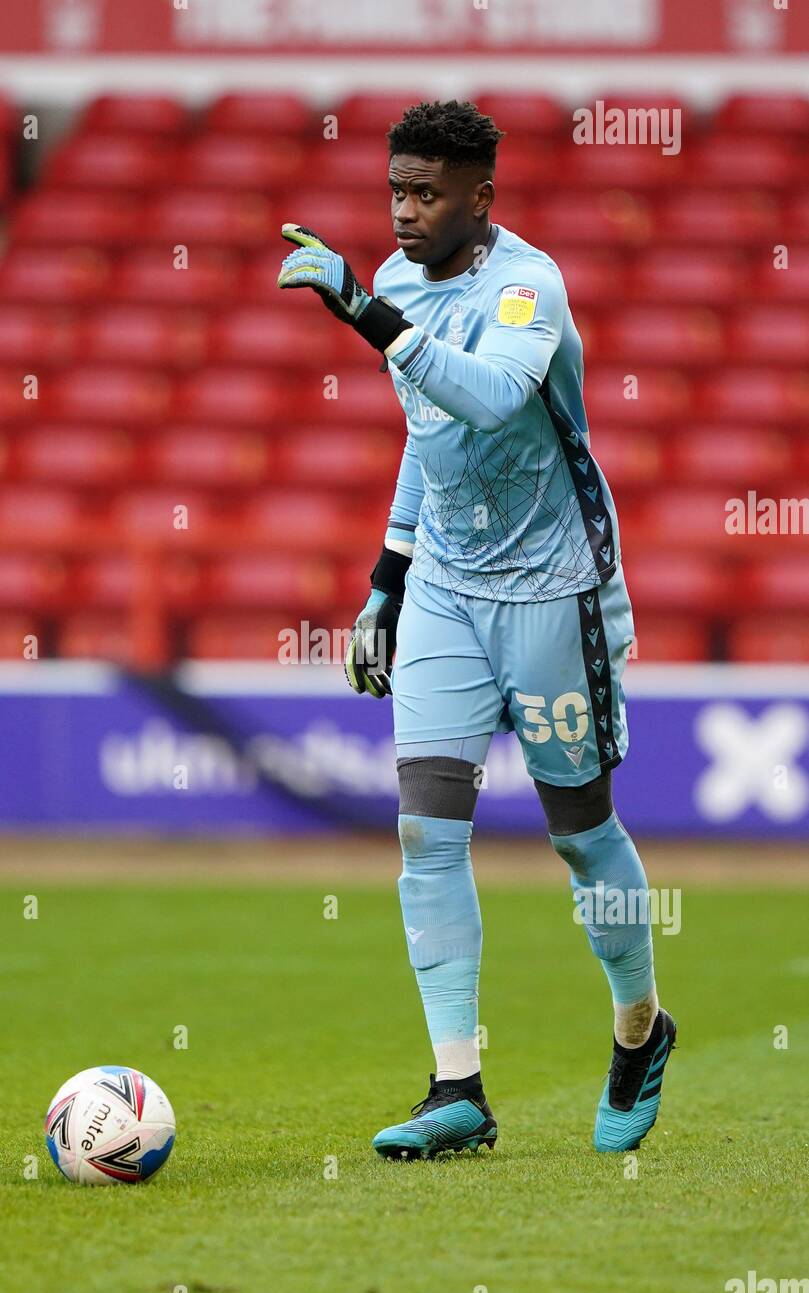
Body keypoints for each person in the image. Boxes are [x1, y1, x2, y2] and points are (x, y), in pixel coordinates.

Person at [277, 99, 676, 1158]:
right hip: (448, 588)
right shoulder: (398, 283)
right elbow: (429, 429)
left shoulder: (523, 287)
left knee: (577, 832)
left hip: (552, 590)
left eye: (426, 193)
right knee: (423, 828)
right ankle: (456, 1086)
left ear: (479, 197)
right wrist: (386, 576)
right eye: (395, 191)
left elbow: (493, 400)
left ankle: (637, 1028)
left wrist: (365, 315)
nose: (404, 212)